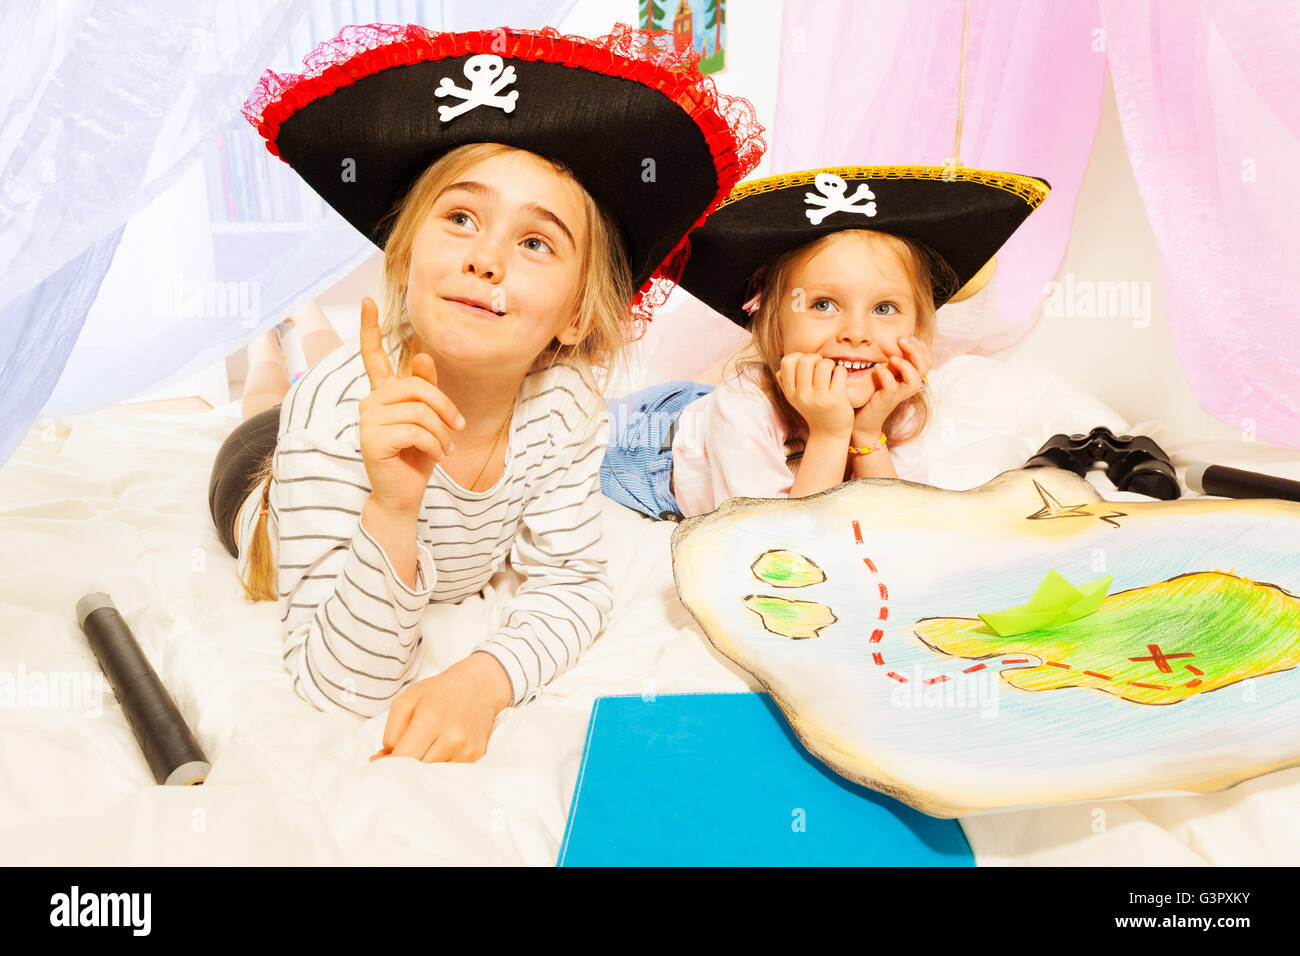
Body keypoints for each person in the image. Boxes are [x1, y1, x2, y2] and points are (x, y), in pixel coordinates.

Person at [205, 23, 764, 762]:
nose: (485, 258)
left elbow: (570, 584)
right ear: (406, 256)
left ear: (574, 316)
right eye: (461, 218)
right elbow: (341, 684)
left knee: (314, 368)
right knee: (268, 408)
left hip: (343, 417)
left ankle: (297, 325)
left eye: (535, 243)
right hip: (255, 478)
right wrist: (393, 508)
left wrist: (484, 679)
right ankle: (273, 335)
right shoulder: (331, 419)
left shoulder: (566, 405)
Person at [600, 165, 1050, 520]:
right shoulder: (743, 408)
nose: (856, 333)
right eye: (822, 304)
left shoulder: (898, 404)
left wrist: (867, 434)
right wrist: (831, 433)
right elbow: (782, 547)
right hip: (654, 443)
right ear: (772, 324)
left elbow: (896, 522)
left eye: (885, 309)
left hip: (705, 415)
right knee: (561, 434)